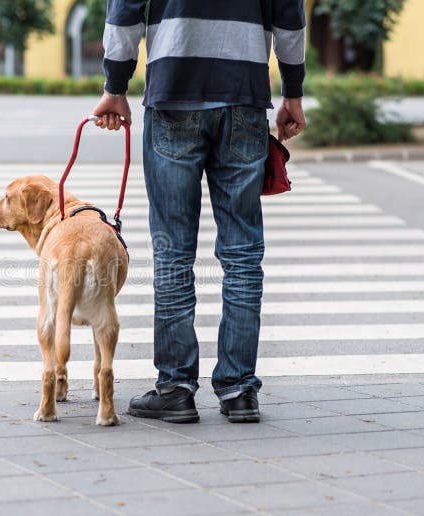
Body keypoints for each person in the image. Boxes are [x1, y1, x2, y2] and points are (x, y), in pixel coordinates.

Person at [92, 1, 307, 424]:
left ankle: (175, 389)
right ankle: (239, 389)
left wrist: (115, 87)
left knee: (173, 251)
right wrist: (293, 93)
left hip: (174, 96)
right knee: (243, 254)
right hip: (244, 99)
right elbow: (290, 20)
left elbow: (124, 12)